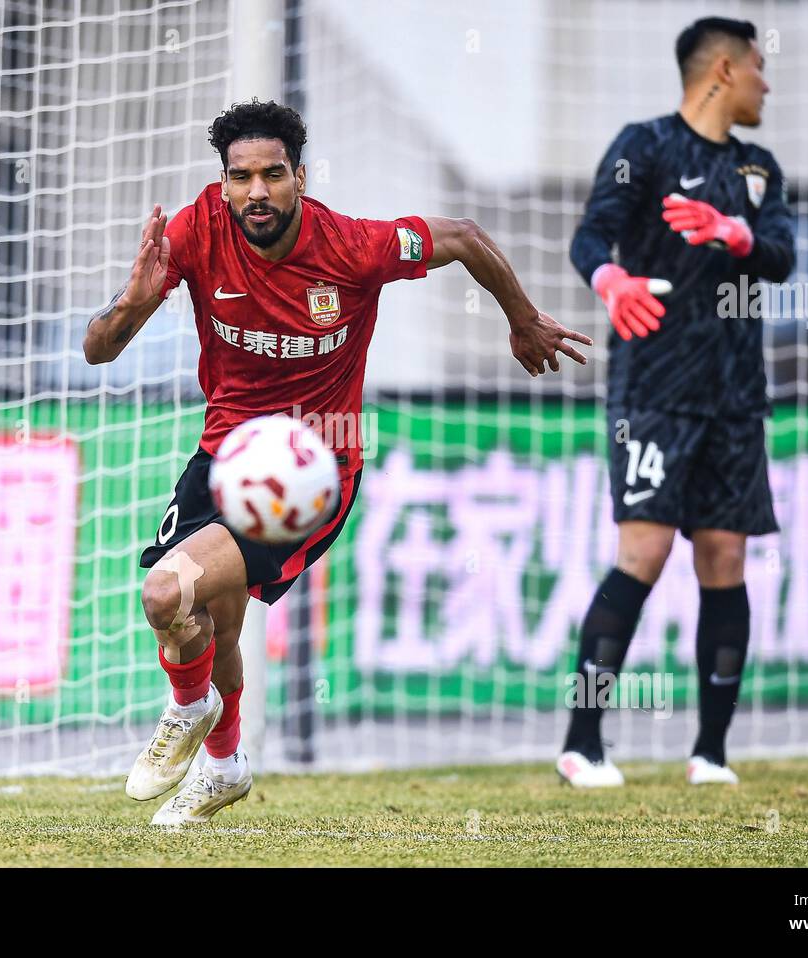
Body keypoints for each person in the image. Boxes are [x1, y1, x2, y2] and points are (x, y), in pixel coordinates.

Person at [84, 99, 591, 824]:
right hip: (225, 458)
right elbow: (97, 351)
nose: (256, 192)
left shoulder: (353, 247)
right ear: (223, 184)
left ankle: (189, 707)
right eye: (240, 177)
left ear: (300, 176)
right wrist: (132, 305)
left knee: (166, 594)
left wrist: (522, 317)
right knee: (214, 626)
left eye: (272, 174)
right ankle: (223, 765)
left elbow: (463, 236)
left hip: (311, 472)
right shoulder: (197, 231)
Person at [560, 17, 795, 787]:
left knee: (725, 557)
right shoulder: (647, 146)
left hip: (736, 396)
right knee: (645, 553)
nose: (766, 83)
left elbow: (782, 257)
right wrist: (612, 281)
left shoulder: (759, 169)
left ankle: (711, 753)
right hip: (654, 391)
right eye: (758, 66)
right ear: (722, 70)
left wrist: (736, 234)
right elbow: (590, 238)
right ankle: (582, 745)